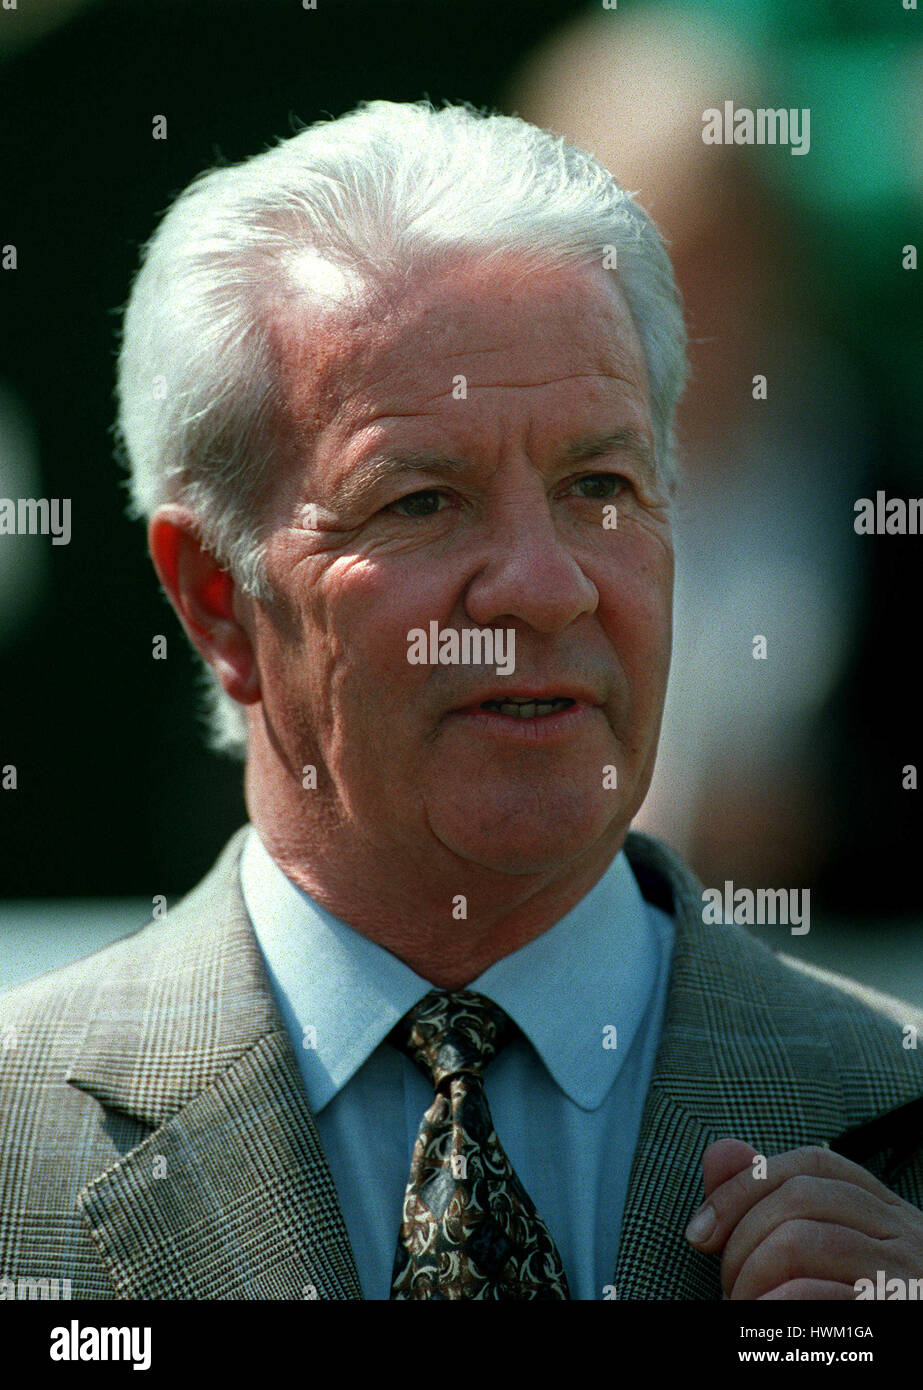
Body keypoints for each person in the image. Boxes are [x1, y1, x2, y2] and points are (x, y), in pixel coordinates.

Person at [1, 100, 922, 1302]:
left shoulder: (890, 1126)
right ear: (219, 599)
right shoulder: (22, 1139)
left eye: (599, 484)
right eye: (420, 500)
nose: (545, 587)